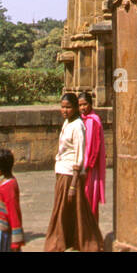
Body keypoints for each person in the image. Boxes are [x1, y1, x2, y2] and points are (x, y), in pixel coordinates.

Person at [44, 92, 104, 252]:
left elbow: (80, 154)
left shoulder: (78, 125)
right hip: (63, 171)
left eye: (68, 107)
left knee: (66, 210)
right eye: (62, 107)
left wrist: (73, 184)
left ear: (75, 108)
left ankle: (63, 243)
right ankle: (76, 240)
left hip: (71, 174)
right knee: (75, 210)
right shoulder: (67, 123)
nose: (64, 110)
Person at [0, 148, 24, 252]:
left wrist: (16, 240)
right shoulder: (5, 183)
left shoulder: (9, 187)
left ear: (0, 168)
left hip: (2, 233)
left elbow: (14, 212)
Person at [79, 90, 106, 220]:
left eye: (84, 104)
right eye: (80, 105)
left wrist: (87, 166)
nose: (82, 108)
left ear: (90, 104)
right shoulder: (83, 120)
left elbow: (93, 147)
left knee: (90, 199)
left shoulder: (93, 121)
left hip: (89, 168)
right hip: (83, 166)